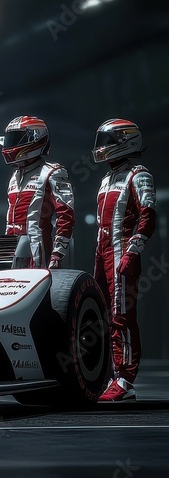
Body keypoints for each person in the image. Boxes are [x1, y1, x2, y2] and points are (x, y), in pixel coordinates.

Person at [92, 119, 156, 401]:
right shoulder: (107, 178)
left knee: (122, 317)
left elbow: (148, 215)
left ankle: (126, 380)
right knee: (101, 315)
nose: (102, 148)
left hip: (121, 252)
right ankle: (109, 373)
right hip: (101, 250)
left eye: (107, 141)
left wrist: (133, 250)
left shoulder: (139, 175)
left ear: (125, 141)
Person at [0, 116, 75, 268]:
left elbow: (66, 215)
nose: (10, 144)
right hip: (9, 246)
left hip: (37, 248)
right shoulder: (15, 176)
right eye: (10, 138)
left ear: (35, 138)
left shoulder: (53, 172)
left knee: (36, 290)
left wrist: (57, 252)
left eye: (16, 139)